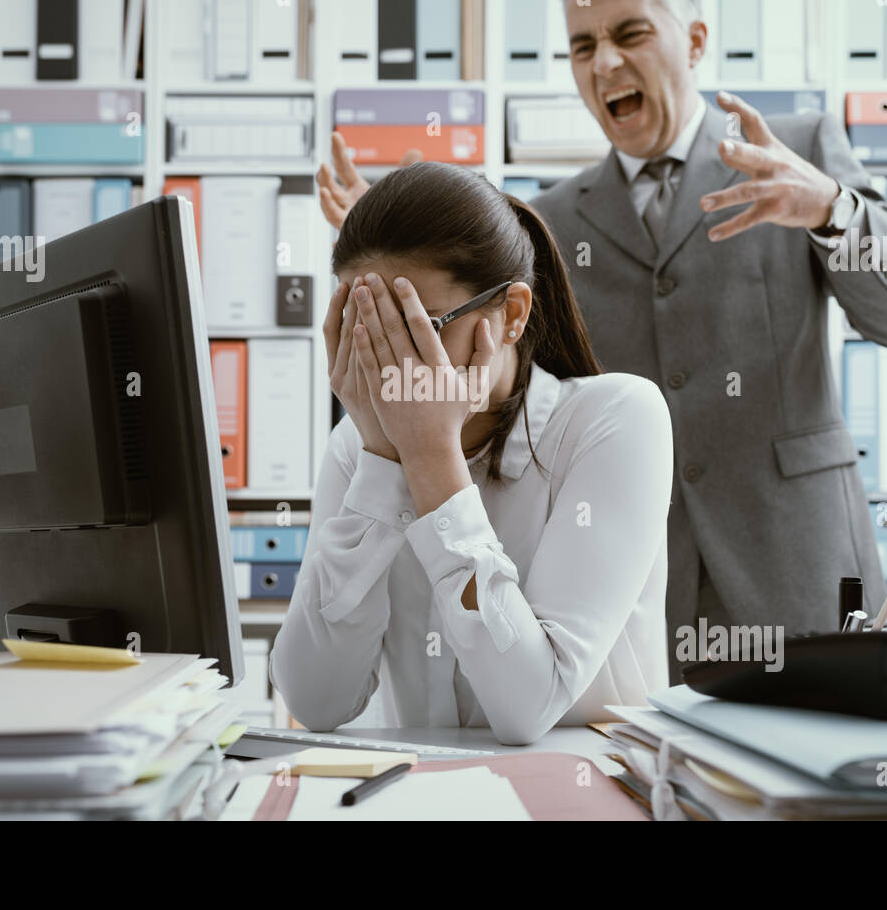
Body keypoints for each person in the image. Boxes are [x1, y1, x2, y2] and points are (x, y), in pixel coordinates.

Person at [315, 0, 887, 681]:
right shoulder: (549, 219)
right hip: (636, 587)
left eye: (630, 33)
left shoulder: (797, 153)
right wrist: (401, 254)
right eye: (583, 45)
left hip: (795, 561)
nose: (605, 61)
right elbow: (509, 392)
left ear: (696, 40)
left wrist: (831, 209)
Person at [269, 162, 674, 744]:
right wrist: (382, 463)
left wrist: (430, 456)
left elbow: (526, 708)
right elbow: (317, 703)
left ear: (510, 314)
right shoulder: (356, 446)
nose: (391, 363)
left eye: (419, 327)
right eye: (368, 327)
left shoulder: (615, 419)